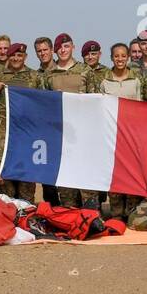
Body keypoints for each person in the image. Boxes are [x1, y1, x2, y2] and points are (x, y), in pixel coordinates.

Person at [41, 33, 100, 207]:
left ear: (73, 47)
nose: (63, 50)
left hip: (83, 132)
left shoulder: (85, 71)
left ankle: (92, 213)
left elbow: (96, 100)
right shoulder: (49, 74)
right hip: (61, 134)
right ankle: (70, 214)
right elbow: (44, 104)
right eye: (60, 48)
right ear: (55, 51)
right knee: (66, 178)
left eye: (66, 46)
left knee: (87, 176)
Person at [0, 42, 44, 202]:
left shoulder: (34, 77)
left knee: (26, 176)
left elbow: (43, 103)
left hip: (27, 134)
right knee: (5, 177)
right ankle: (7, 213)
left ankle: (26, 213)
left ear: (25, 57)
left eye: (20, 55)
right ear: (9, 56)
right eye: (13, 55)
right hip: (5, 134)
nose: (16, 58)